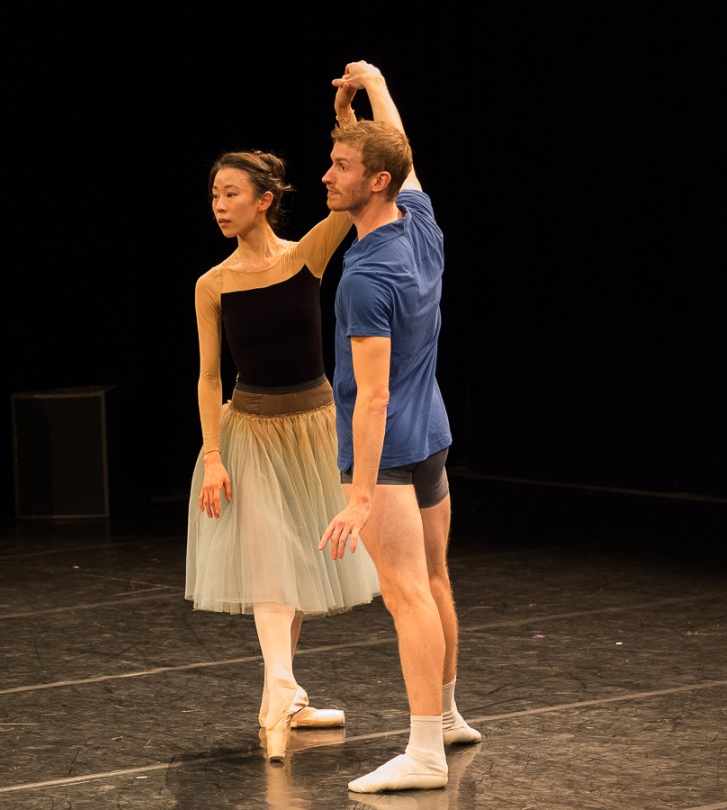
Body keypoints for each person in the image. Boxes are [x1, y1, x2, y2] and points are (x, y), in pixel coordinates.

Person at [184, 106, 382, 763]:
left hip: (314, 431)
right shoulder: (212, 283)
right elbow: (210, 378)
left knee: (295, 570)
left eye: (231, 194)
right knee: (271, 563)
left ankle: (287, 696)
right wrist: (213, 456)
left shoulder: (308, 255)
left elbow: (371, 177)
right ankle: (278, 692)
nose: (219, 205)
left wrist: (358, 113)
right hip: (249, 434)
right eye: (214, 195)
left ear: (265, 201)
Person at [318, 61, 481, 793]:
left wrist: (356, 495)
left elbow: (372, 398)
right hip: (433, 438)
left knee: (405, 592)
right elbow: (403, 146)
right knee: (435, 579)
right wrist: (375, 85)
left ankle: (422, 752)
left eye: (342, 165)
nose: (328, 174)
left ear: (375, 182)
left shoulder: (363, 278)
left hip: (385, 453)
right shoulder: (421, 223)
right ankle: (445, 715)